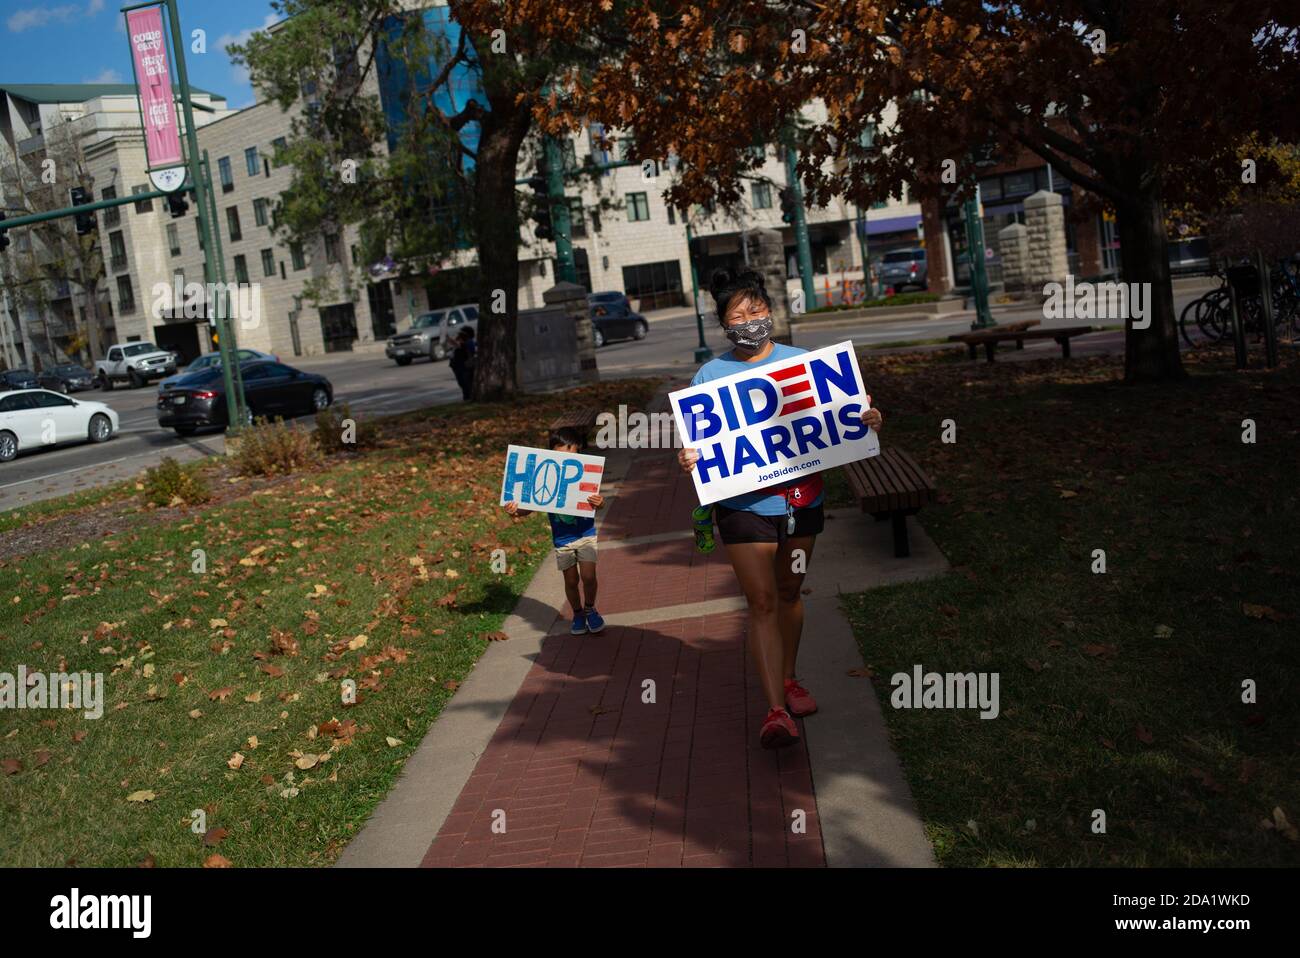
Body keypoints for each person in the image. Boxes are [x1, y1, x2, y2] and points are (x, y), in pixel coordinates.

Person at [677, 267, 884, 749]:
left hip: (801, 501)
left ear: (769, 310)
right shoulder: (710, 375)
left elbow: (841, 421)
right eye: (738, 315)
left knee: (790, 594)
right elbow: (698, 443)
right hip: (743, 506)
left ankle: (789, 680)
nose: (750, 320)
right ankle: (774, 710)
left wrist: (869, 419)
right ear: (724, 325)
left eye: (756, 310)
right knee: (763, 602)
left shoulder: (803, 362)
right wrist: (688, 457)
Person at [504, 427, 607, 635]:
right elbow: (529, 507)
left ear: (579, 454)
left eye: (572, 454)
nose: (567, 459)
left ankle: (590, 609)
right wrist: (515, 511)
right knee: (570, 580)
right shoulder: (547, 477)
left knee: (588, 576)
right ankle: (577, 613)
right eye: (561, 454)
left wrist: (600, 502)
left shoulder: (585, 474)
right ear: (552, 453)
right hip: (563, 539)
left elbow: (596, 502)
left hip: (585, 534)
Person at [449, 326, 476, 401]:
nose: (458, 336)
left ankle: (468, 398)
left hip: (463, 367)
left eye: (461, 334)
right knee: (462, 383)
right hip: (458, 366)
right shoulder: (462, 343)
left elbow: (470, 354)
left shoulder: (468, 342)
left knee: (466, 384)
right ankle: (467, 397)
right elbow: (454, 343)